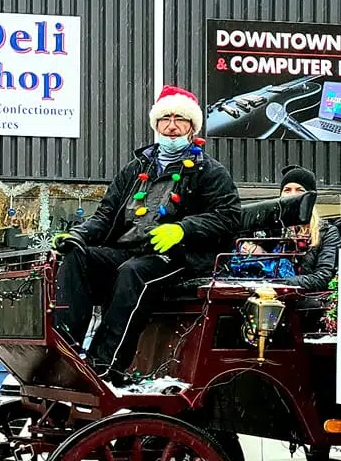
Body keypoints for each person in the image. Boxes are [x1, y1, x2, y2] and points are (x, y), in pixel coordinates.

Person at [55, 85, 241, 378]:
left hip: (178, 257)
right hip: (128, 249)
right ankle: (64, 350)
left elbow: (229, 217)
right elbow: (105, 215)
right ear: (156, 124)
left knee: (133, 272)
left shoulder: (209, 171)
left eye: (180, 118)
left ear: (192, 127)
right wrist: (79, 235)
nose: (171, 126)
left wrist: (182, 229)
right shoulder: (134, 170)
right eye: (165, 118)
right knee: (79, 257)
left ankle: (106, 365)